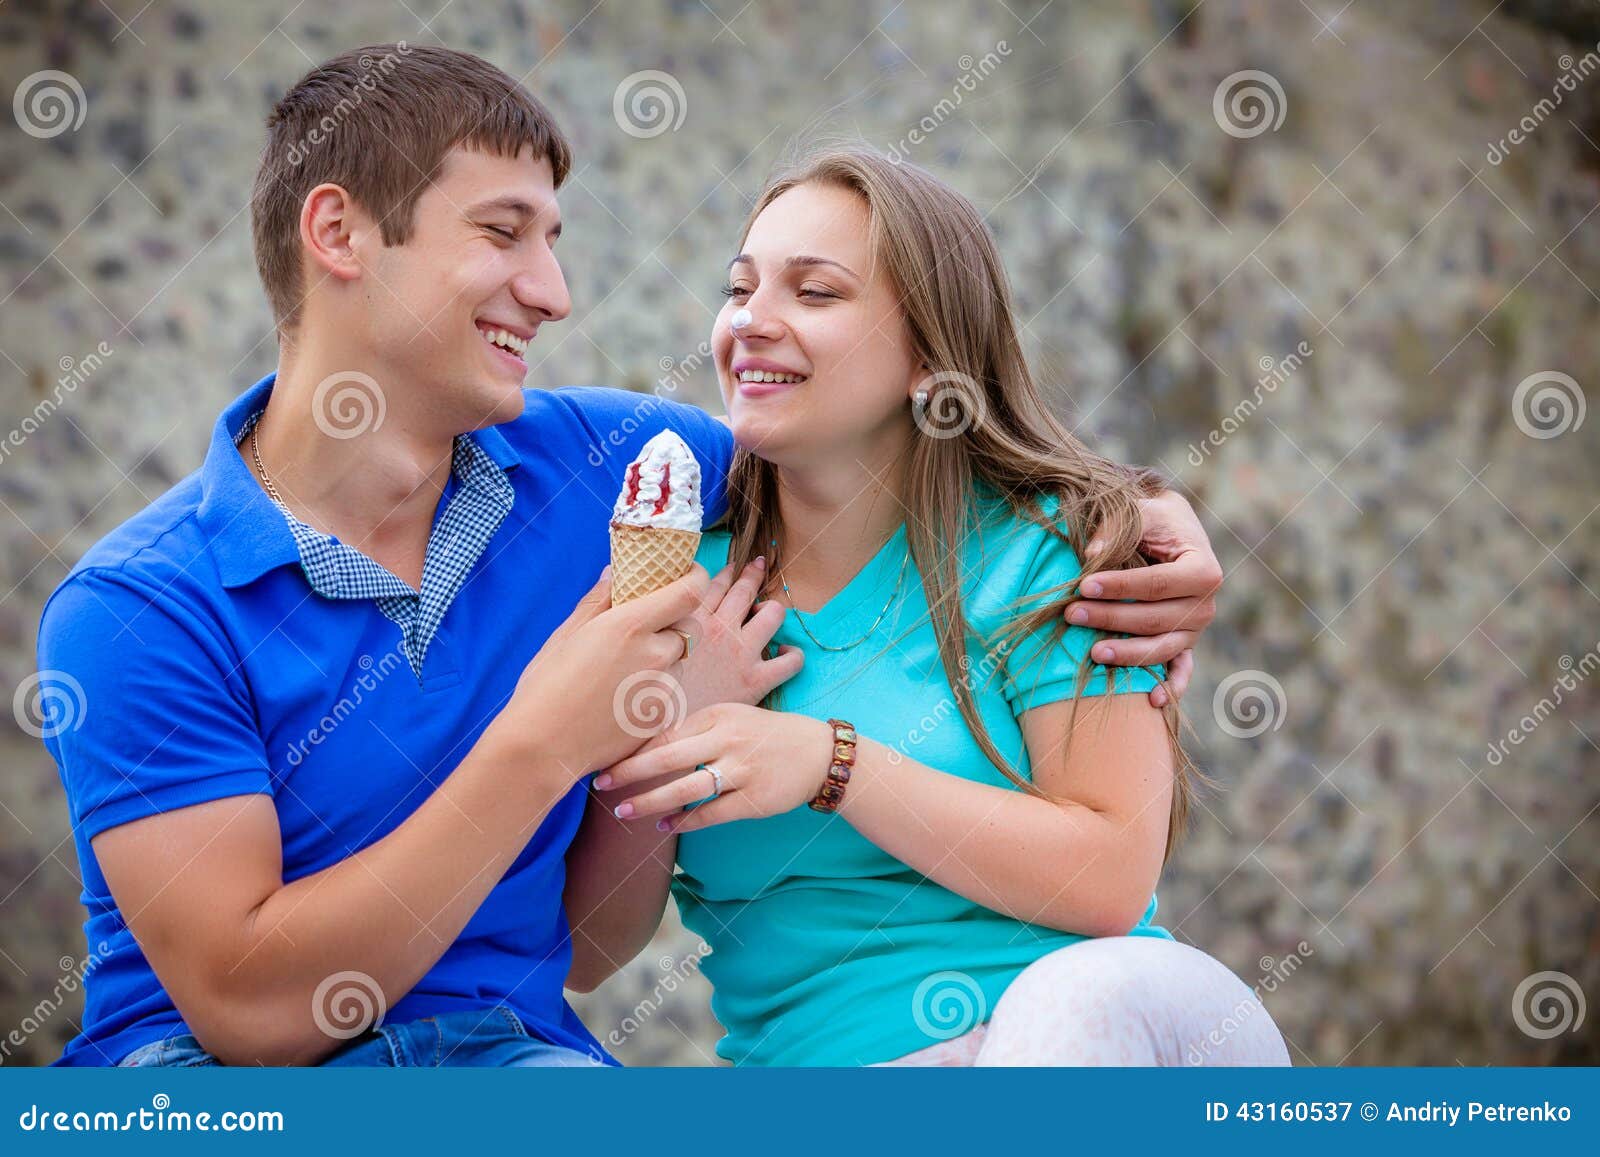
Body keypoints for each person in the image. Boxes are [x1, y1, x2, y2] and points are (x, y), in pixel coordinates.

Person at [36, 46, 1222, 1068]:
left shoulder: (616, 475)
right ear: (338, 231)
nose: (553, 293)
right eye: (504, 233)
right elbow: (252, 1011)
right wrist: (565, 729)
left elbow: (879, 461)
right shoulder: (137, 611)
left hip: (512, 1061)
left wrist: (1144, 514)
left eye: (554, 239)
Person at [570, 148, 1288, 1067]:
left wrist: (833, 764)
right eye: (740, 288)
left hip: (1096, 1040)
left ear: (927, 358)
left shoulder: (1048, 553)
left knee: (1078, 1003)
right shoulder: (675, 587)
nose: (753, 320)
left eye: (815, 293)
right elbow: (592, 949)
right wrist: (660, 726)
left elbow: (1111, 876)